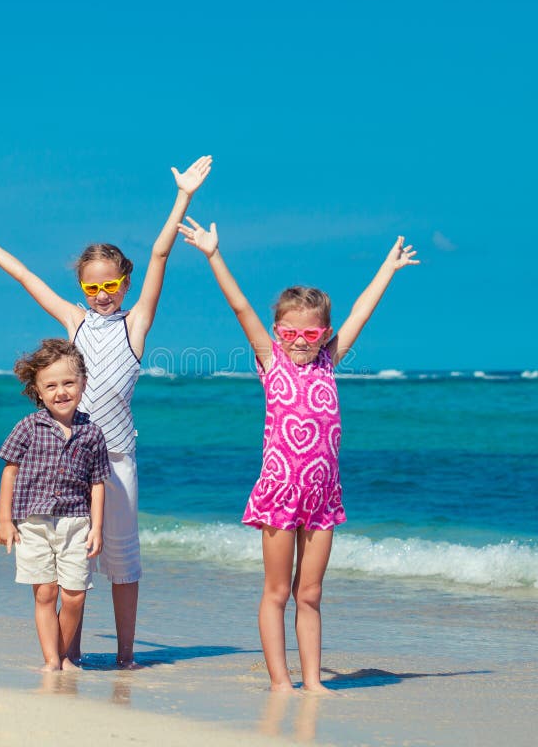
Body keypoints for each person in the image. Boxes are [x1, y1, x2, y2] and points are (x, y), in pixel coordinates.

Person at [0, 155, 212, 666]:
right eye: (92, 287)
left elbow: (160, 256)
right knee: (76, 565)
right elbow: (27, 277)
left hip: (115, 460)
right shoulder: (75, 322)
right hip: (69, 462)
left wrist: (183, 196)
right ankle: (68, 654)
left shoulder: (134, 326)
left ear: (124, 284)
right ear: (82, 289)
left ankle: (125, 654)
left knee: (122, 560)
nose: (101, 294)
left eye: (110, 285)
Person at [177, 216, 419, 692]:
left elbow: (360, 315)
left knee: (310, 593)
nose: (300, 344)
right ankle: (280, 682)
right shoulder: (271, 362)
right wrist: (213, 254)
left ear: (324, 334)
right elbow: (240, 305)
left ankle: (313, 682)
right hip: (280, 492)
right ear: (277, 332)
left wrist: (386, 271)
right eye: (290, 334)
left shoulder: (330, 361)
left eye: (311, 336)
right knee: (278, 592)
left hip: (324, 496)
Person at [0, 338, 109, 672]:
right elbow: (10, 471)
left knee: (75, 593)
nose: (61, 392)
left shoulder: (92, 433)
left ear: (83, 384)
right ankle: (53, 661)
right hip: (33, 522)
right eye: (51, 385)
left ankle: (62, 652)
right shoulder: (28, 427)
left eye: (68, 383)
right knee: (45, 593)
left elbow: (98, 482)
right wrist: (5, 519)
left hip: (77, 523)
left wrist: (97, 528)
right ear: (38, 391)